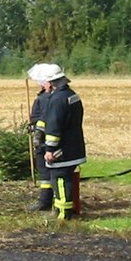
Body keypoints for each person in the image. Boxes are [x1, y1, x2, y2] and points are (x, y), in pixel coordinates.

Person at [37, 63, 86, 220]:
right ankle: (60, 211)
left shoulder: (57, 99)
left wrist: (50, 150)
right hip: (74, 147)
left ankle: (64, 214)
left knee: (60, 180)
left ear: (51, 83)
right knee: (64, 179)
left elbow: (54, 126)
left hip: (62, 150)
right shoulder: (71, 95)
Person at [26, 64, 53, 211]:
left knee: (45, 172)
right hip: (44, 139)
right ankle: (48, 200)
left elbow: (42, 119)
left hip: (44, 140)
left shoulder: (45, 98)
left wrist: (37, 133)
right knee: (46, 172)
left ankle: (45, 202)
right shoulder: (46, 97)